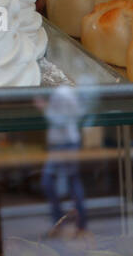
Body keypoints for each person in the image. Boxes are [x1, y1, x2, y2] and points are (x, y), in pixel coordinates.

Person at [36, 86, 92, 237]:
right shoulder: (61, 91)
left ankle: (74, 224)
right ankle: (70, 224)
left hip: (65, 144)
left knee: (56, 181)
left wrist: (44, 109)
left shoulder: (64, 92)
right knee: (67, 182)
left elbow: (65, 118)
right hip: (61, 144)